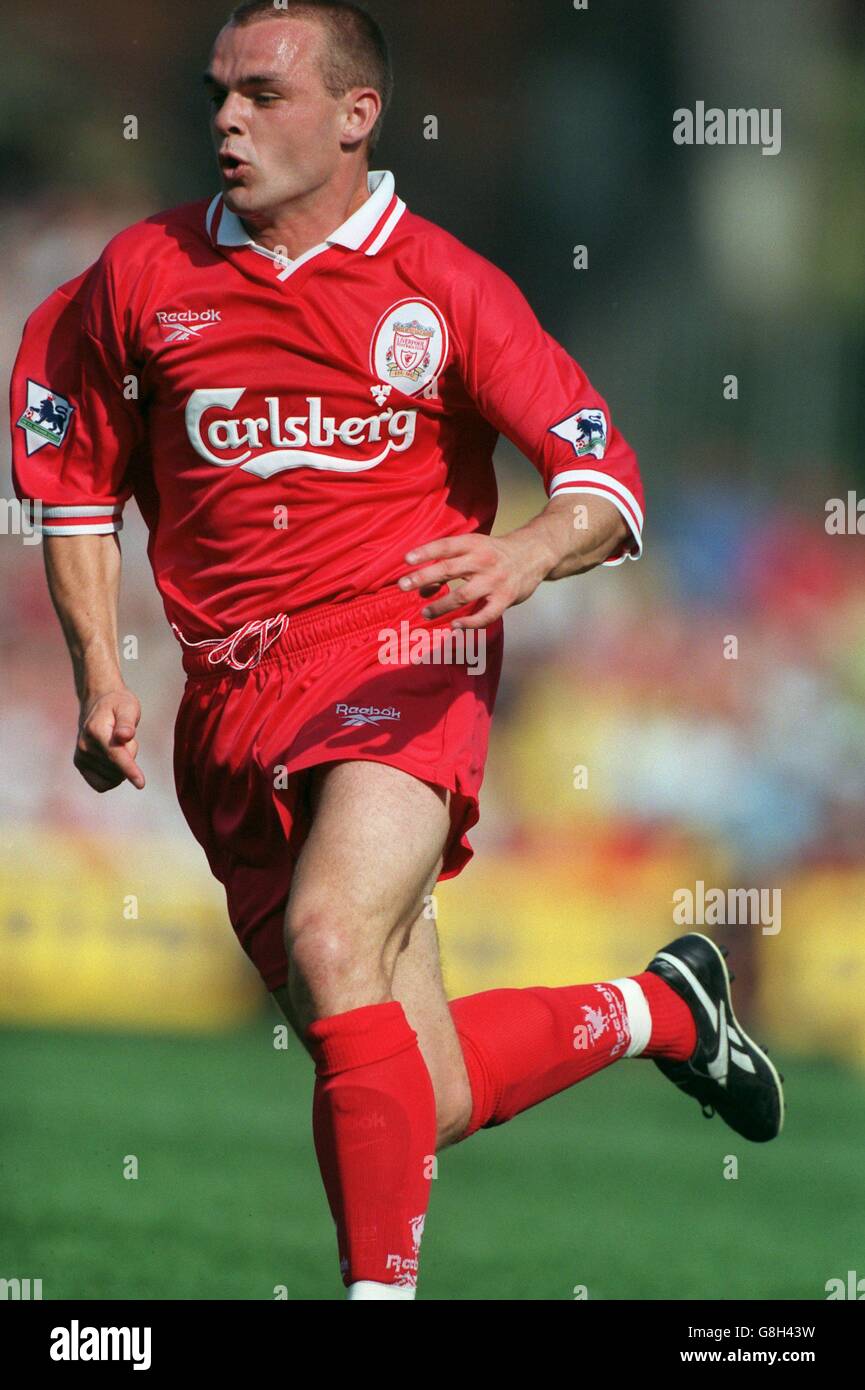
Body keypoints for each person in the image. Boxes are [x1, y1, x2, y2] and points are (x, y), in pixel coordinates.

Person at [11, 0, 783, 1300]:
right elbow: (75, 481)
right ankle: (656, 1011)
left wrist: (526, 554)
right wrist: (97, 671)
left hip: (400, 658)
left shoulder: (447, 287)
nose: (227, 120)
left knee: (329, 936)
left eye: (264, 93)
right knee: (409, 1085)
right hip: (228, 699)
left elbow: (605, 476)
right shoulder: (141, 277)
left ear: (357, 116)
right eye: (218, 93)